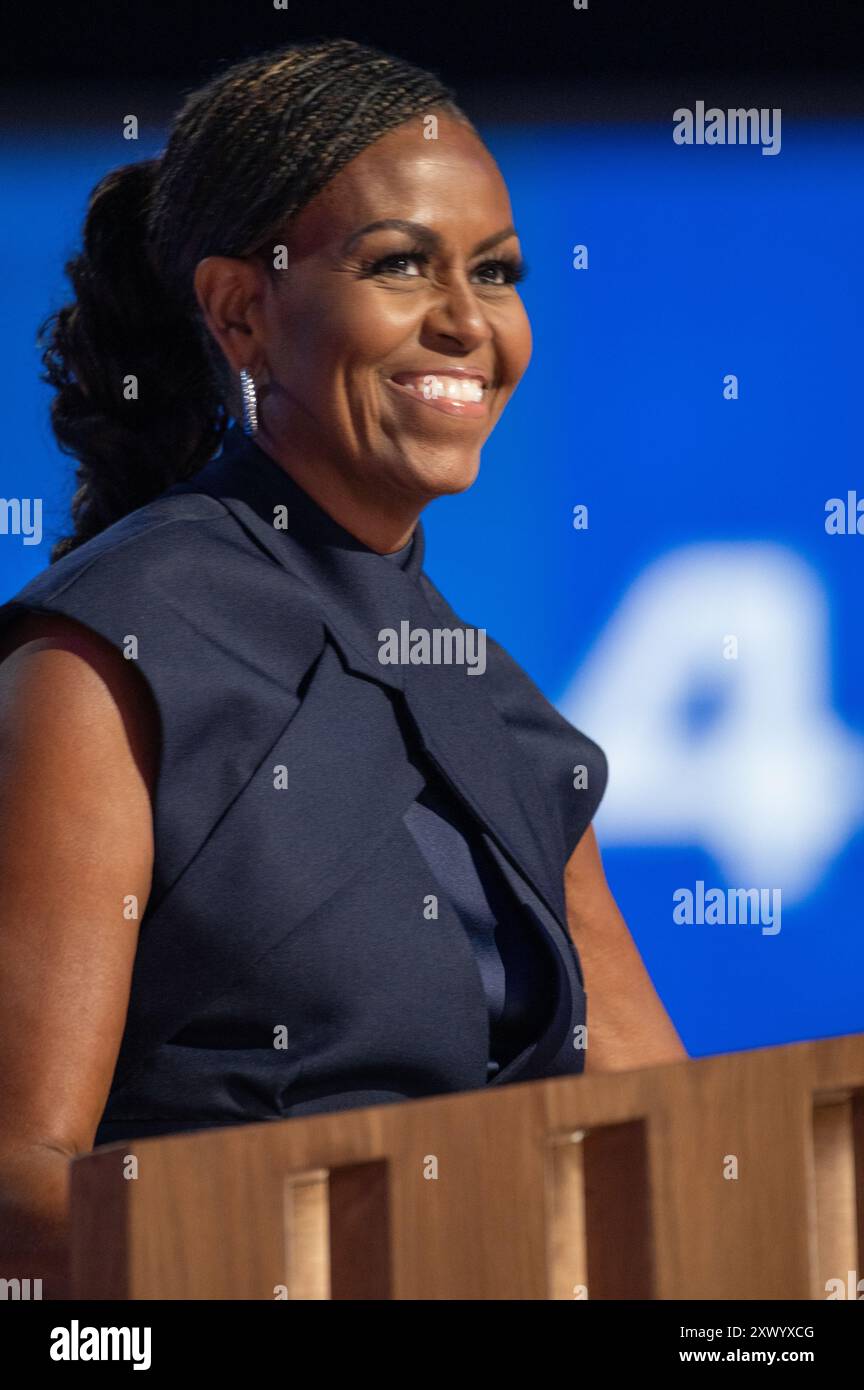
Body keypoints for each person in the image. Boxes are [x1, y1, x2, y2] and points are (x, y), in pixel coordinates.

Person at [0, 38, 685, 1297]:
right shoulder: (105, 653)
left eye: (496, 272)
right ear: (241, 311)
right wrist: (355, 1252)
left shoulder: (502, 713)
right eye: (398, 265)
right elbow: (19, 1184)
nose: (468, 322)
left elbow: (683, 1154)